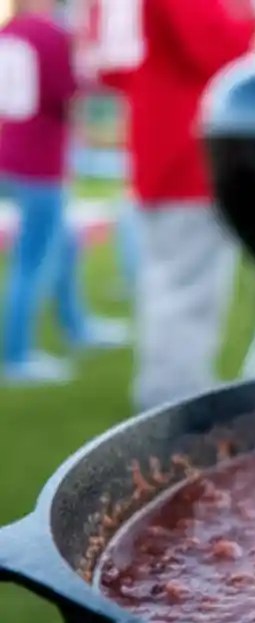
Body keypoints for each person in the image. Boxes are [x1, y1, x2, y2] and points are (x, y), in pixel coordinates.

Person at [102, 0, 255, 410]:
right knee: (187, 290)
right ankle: (175, 403)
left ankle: (177, 389)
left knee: (174, 285)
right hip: (183, 153)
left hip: (164, 144)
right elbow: (218, 44)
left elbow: (112, 68)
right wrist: (253, 21)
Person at [0, 0, 126, 386]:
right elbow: (67, 92)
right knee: (32, 261)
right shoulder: (50, 34)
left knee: (65, 242)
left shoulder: (9, 33)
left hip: (11, 150)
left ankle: (76, 324)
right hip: (38, 160)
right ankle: (15, 355)